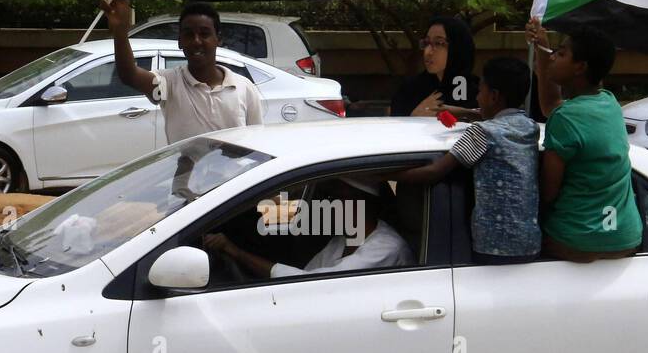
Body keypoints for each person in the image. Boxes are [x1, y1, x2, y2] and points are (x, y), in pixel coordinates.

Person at [87, 0, 263, 143]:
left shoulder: (244, 88)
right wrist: (120, 31)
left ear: (219, 40)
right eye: (188, 34)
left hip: (238, 173)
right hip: (187, 173)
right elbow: (129, 75)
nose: (196, 41)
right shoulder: (168, 84)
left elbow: (257, 143)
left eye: (204, 34)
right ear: (179, 42)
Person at [394, 57, 540, 263]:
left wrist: (385, 175)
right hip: (529, 244)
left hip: (492, 247)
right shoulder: (529, 127)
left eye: (480, 91)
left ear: (494, 96)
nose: (477, 97)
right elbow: (495, 116)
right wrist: (462, 111)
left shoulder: (482, 133)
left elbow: (434, 172)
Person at [526, 17, 642, 262]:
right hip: (624, 238)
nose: (554, 58)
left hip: (576, 241)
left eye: (561, 53)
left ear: (580, 67)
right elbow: (550, 105)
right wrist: (543, 48)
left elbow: (548, 193)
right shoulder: (608, 103)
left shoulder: (566, 119)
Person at [202, 177, 413, 279]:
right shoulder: (344, 238)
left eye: (332, 198)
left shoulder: (386, 248)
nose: (325, 204)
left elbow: (309, 281)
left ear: (359, 203)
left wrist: (236, 252)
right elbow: (306, 275)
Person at [391, 16, 480, 120]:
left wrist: (468, 113)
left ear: (457, 47)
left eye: (439, 43)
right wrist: (413, 118)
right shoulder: (409, 90)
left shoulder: (479, 91)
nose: (428, 52)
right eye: (426, 43)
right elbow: (395, 131)